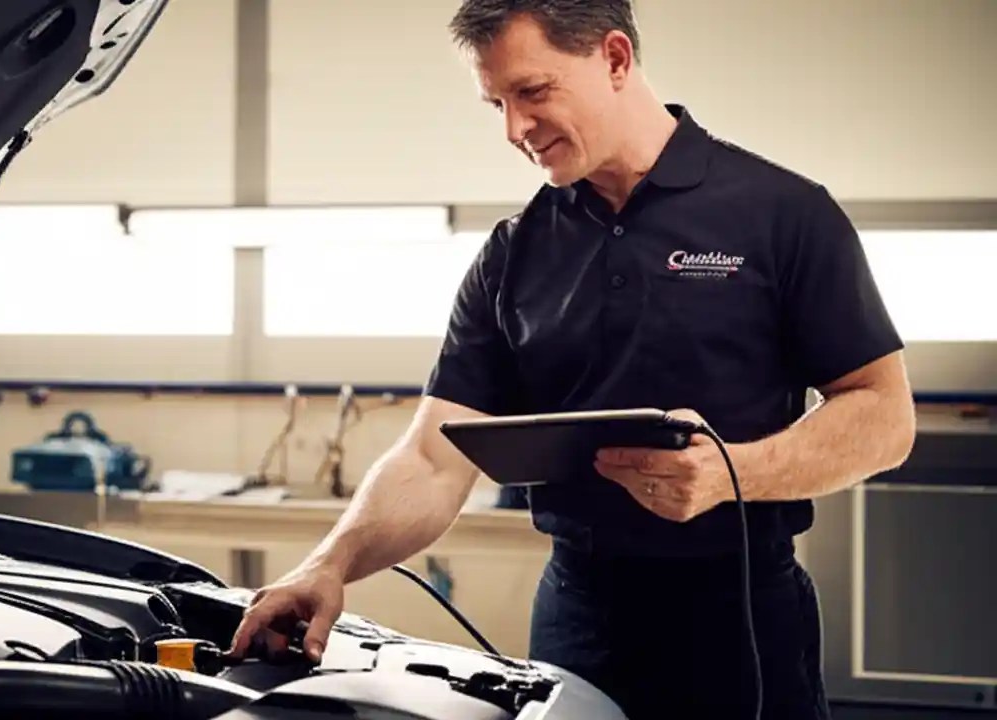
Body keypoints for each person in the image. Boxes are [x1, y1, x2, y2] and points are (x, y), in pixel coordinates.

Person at [229, 1, 917, 718]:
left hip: (741, 609)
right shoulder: (514, 252)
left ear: (614, 59)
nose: (513, 130)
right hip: (577, 612)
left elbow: (883, 415)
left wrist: (733, 475)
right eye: (496, 103)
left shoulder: (784, 214)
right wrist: (329, 565)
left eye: (531, 92)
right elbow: (433, 459)